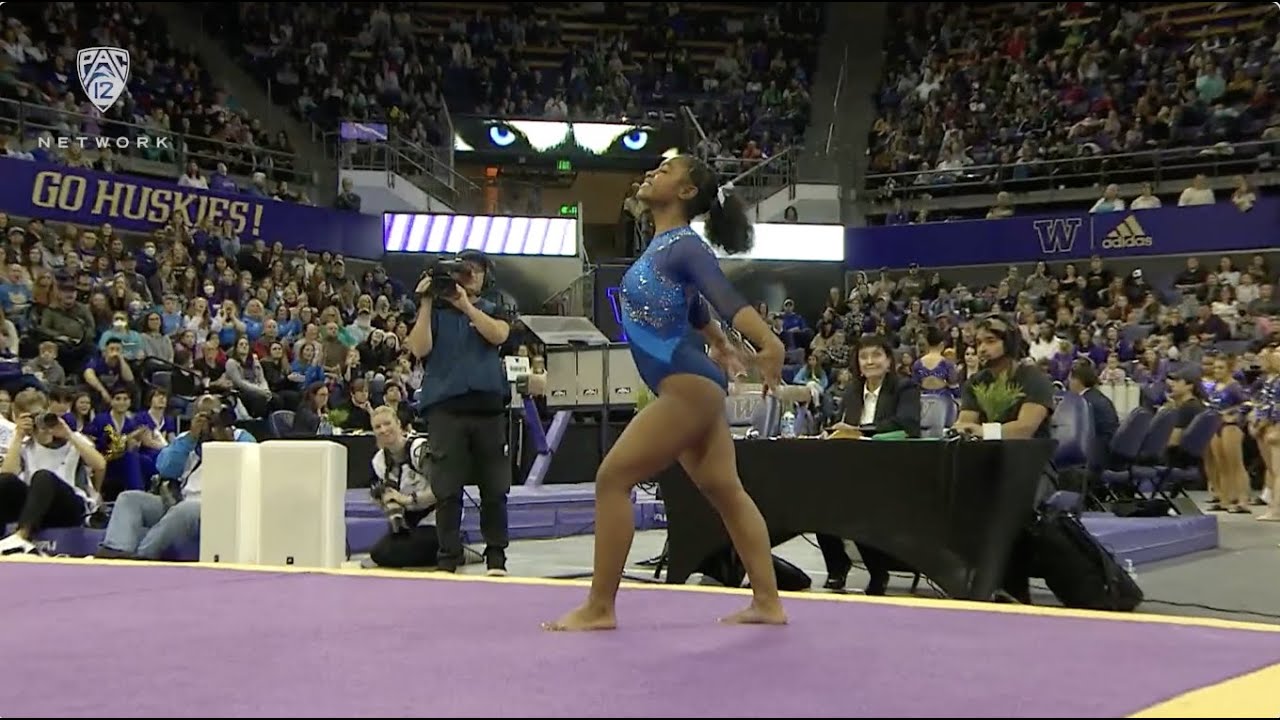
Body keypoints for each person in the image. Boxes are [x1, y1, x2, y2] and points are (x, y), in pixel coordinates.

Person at [544, 154, 787, 632]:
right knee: (725, 490)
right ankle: (768, 602)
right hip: (693, 384)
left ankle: (599, 607)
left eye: (667, 170)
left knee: (612, 479)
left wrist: (769, 342)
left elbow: (724, 296)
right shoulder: (664, 248)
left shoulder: (685, 246)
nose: (654, 171)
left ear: (685, 192)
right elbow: (695, 306)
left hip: (686, 388)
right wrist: (718, 342)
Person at [405, 248, 512, 576]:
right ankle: (447, 557)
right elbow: (419, 348)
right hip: (445, 409)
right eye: (462, 270)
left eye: (475, 271)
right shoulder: (434, 313)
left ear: (484, 277)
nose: (469, 275)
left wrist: (466, 305)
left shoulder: (495, 309)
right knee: (446, 488)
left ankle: (496, 557)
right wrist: (426, 301)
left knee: (494, 488)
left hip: (488, 407)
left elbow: (498, 335)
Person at [817, 333, 921, 593]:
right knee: (815, 500)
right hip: (852, 465)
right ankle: (837, 566)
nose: (869, 361)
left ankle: (878, 572)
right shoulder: (853, 391)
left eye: (876, 355)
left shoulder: (904, 388)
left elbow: (907, 425)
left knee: (858, 504)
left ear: (888, 361)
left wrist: (859, 430)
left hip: (891, 466)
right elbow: (846, 428)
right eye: (864, 356)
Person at [96, 396, 257, 560]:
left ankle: (142, 556)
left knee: (186, 509)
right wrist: (190, 440)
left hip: (217, 509)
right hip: (180, 501)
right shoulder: (186, 438)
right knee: (129, 499)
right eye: (205, 415)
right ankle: (117, 550)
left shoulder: (242, 438)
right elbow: (165, 469)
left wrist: (226, 443)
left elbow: (251, 471)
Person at [0, 388, 108, 555]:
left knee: (42, 476)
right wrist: (19, 435)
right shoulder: (23, 445)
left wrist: (69, 435)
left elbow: (99, 465)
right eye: (31, 417)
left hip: (68, 505)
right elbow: (7, 475)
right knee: (5, 481)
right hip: (35, 506)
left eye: (39, 414)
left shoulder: (71, 438)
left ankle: (22, 536)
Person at [366, 405, 440, 568]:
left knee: (393, 554)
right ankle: (446, 552)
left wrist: (406, 500)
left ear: (398, 423)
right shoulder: (379, 461)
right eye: (377, 427)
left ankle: (454, 551)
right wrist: (385, 501)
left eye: (387, 423)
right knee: (379, 552)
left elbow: (442, 489)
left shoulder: (418, 449)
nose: (383, 430)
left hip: (437, 517)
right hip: (410, 521)